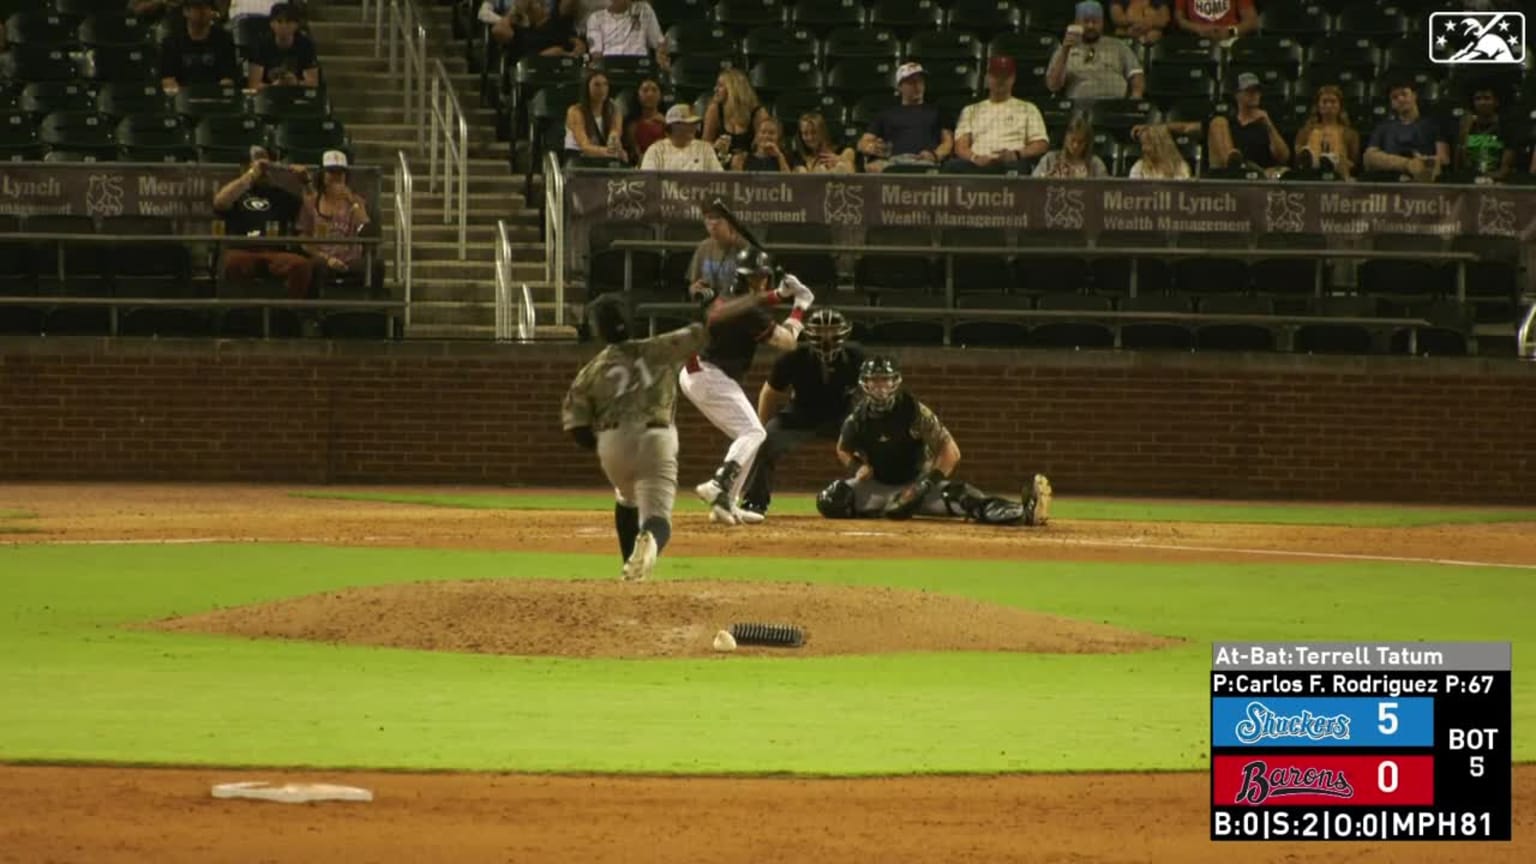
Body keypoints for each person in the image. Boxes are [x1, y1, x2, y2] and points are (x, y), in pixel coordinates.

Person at [561, 288, 784, 581]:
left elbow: (577, 429)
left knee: (626, 499)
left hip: (614, 443)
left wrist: (600, 444)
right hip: (657, 440)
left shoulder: (590, 371)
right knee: (657, 518)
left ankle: (629, 564)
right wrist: (763, 297)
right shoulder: (663, 346)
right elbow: (712, 322)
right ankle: (649, 542)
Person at [816, 356, 1052, 527]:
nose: (881, 387)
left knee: (963, 497)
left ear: (895, 382)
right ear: (865, 384)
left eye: (885, 381)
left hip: (918, 485)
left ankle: (1024, 512)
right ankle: (880, 511)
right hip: (879, 485)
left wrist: (923, 486)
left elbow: (950, 451)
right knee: (831, 499)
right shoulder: (857, 418)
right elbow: (843, 449)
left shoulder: (914, 412)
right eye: (875, 381)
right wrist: (857, 467)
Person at [681, 248, 816, 525]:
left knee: (751, 437)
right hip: (709, 375)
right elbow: (786, 341)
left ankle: (725, 503)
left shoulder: (726, 296)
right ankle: (719, 485)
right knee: (753, 431)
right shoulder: (749, 310)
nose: (761, 282)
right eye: (759, 278)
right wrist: (800, 305)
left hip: (699, 372)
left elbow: (754, 301)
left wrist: (780, 294)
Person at [739, 309, 865, 518]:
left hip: (841, 416)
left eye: (832, 331)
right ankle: (755, 501)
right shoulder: (793, 355)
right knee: (765, 442)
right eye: (821, 331)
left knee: (872, 443)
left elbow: (869, 391)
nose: (826, 337)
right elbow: (769, 393)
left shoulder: (856, 356)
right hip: (800, 414)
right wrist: (761, 428)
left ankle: (873, 498)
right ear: (810, 333)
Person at [212, 146, 315, 299]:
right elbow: (220, 203)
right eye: (260, 166)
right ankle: (238, 313)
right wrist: (252, 175)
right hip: (243, 248)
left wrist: (306, 184)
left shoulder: (280, 195)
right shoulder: (237, 192)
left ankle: (291, 313)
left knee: (300, 265)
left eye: (267, 166)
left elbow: (311, 216)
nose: (264, 171)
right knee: (232, 263)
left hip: (275, 250)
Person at [947, 56, 1049, 173]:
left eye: (1005, 77)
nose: (1000, 80)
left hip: (1012, 161)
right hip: (978, 162)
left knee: (1017, 168)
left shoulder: (1028, 108)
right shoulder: (970, 110)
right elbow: (961, 146)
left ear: (1013, 78)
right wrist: (975, 158)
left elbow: (1041, 143)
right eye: (996, 76)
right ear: (988, 78)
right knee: (952, 166)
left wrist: (1017, 154)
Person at [856, 62, 954, 173]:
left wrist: (935, 155)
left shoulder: (937, 111)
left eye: (920, 81)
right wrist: (870, 147)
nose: (917, 85)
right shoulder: (886, 114)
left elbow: (948, 142)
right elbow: (862, 143)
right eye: (911, 82)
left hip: (925, 161)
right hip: (892, 161)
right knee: (873, 167)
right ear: (900, 87)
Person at [1045, 2, 1145, 102]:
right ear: (1076, 23)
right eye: (1086, 21)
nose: (1091, 26)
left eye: (1095, 22)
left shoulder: (1118, 46)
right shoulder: (1064, 50)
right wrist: (1065, 51)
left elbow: (1136, 74)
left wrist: (1135, 99)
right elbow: (1053, 86)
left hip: (1114, 105)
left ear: (1102, 23)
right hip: (1078, 107)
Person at [300, 150, 370, 284]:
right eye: (331, 172)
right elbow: (303, 240)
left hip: (351, 259)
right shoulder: (311, 202)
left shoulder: (356, 201)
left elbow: (366, 229)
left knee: (374, 266)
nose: (336, 176)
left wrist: (352, 201)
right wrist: (327, 259)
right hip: (322, 259)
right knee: (316, 267)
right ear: (322, 175)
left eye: (340, 172)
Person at [1363, 78, 1449, 182]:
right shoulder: (1383, 127)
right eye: (1395, 97)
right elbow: (1369, 158)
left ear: (1414, 96)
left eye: (1404, 94)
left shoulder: (1432, 125)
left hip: (1423, 178)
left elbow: (1444, 159)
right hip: (1390, 178)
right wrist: (1407, 164)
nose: (1400, 99)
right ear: (1391, 103)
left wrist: (1425, 162)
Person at [1207, 73, 1290, 176]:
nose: (1254, 94)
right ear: (1237, 95)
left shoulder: (1268, 120)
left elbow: (1283, 157)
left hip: (1262, 175)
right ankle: (1235, 165)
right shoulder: (1229, 123)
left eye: (1257, 91)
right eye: (1249, 91)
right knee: (1218, 123)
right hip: (1234, 175)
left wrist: (1269, 126)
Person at [158, 0, 240, 93]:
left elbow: (228, 78)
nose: (203, 11)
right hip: (182, 99)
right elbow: (168, 79)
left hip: (215, 98)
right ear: (186, 11)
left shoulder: (223, 40)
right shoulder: (172, 42)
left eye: (207, 7)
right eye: (197, 7)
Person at [702, 68, 770, 168]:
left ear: (733, 89)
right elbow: (704, 146)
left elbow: (764, 146)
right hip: (721, 161)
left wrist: (750, 153)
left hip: (750, 163)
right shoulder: (714, 109)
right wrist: (715, 146)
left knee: (738, 161)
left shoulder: (758, 113)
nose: (715, 89)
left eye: (720, 86)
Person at [247, 3, 320, 91]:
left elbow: (313, 83)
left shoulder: (305, 45)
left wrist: (296, 83)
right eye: (279, 21)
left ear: (296, 25)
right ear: (272, 24)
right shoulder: (261, 45)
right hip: (267, 95)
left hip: (297, 94)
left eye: (288, 22)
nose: (283, 26)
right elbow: (253, 84)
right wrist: (274, 86)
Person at [1292, 85, 1360, 178]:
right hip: (1310, 174)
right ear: (1318, 106)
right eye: (1324, 102)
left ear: (1340, 106)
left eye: (1333, 102)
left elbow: (1354, 162)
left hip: (1339, 174)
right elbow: (1298, 157)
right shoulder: (1305, 131)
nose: (1328, 105)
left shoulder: (1350, 134)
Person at [583, 0, 670, 71]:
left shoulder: (644, 9)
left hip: (640, 69)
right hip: (610, 71)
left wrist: (661, 55)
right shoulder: (595, 18)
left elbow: (659, 43)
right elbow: (596, 55)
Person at [687, 201, 747, 301]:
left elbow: (757, 295)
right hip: (710, 311)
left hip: (738, 312)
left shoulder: (746, 248)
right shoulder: (703, 247)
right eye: (710, 217)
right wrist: (694, 290)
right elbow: (693, 285)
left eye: (718, 217)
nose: (713, 223)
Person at [1457, 82, 1517, 181]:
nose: (1482, 102)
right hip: (1469, 182)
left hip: (1498, 183)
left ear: (1496, 102)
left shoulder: (1506, 128)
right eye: (1478, 99)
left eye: (1487, 98)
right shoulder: (1467, 127)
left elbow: (1505, 168)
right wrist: (1465, 132)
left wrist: (1486, 178)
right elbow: (1461, 163)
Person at [565, 68, 627, 163]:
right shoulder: (575, 111)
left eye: (605, 84)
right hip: (578, 157)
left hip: (604, 156)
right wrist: (610, 152)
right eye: (596, 85)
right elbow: (584, 146)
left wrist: (614, 144)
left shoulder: (614, 109)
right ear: (587, 87)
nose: (602, 89)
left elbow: (615, 132)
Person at [640, 104, 723, 171]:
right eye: (686, 124)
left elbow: (718, 178)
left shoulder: (705, 148)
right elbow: (648, 180)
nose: (692, 127)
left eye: (694, 123)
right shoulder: (656, 150)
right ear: (672, 127)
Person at [1032, 113, 1110, 178]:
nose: (1075, 145)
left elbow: (1105, 189)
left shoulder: (1095, 164)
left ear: (1087, 143)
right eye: (1072, 140)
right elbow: (1032, 184)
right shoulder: (1050, 159)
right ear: (1066, 139)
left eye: (1080, 142)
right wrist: (1045, 179)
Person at [790, 112, 856, 174]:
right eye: (805, 133)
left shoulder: (844, 151)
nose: (810, 137)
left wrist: (840, 160)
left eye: (814, 132)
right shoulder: (799, 158)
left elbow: (852, 171)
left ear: (822, 132)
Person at [623, 77, 666, 163]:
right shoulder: (631, 123)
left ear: (660, 96)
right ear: (638, 96)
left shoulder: (668, 121)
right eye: (645, 90)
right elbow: (635, 151)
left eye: (654, 90)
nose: (650, 94)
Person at [1172, 0, 1257, 42]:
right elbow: (1179, 20)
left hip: (1231, 41)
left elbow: (1251, 21)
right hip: (1197, 41)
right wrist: (1197, 28)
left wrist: (1231, 31)